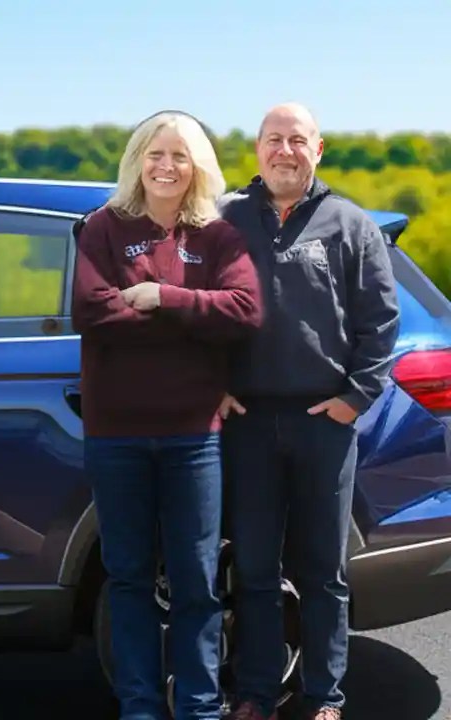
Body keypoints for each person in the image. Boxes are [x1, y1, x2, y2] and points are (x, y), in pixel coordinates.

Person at [71, 110, 263, 720]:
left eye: (180, 155)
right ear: (137, 160)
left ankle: (201, 707)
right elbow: (91, 312)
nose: (166, 166)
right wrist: (193, 324)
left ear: (197, 166)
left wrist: (163, 297)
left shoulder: (217, 237)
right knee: (126, 577)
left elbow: (245, 311)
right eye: (156, 153)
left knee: (197, 582)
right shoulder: (103, 228)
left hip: (193, 436)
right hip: (116, 435)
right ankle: (140, 705)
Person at [219, 103, 400, 720]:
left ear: (318, 149)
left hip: (325, 424)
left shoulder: (351, 225)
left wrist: (354, 400)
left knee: (325, 571)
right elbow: (194, 310)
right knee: (254, 568)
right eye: (275, 139)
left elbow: (381, 325)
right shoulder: (224, 220)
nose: (285, 151)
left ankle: (326, 698)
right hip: (244, 423)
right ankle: (257, 693)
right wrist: (210, 386)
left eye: (298, 140)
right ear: (258, 149)